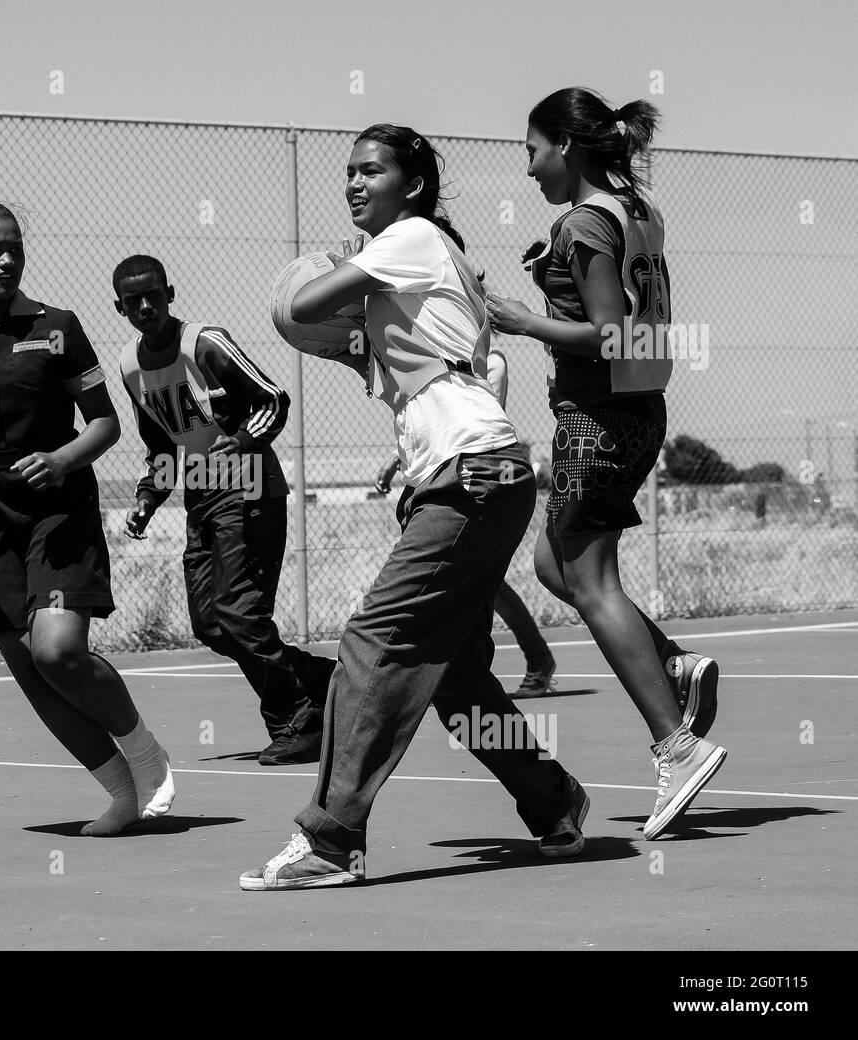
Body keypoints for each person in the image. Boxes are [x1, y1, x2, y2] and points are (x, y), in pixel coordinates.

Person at [241, 124, 590, 890]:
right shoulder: (418, 273)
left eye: (372, 171)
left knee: (372, 642)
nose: (355, 184)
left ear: (414, 185)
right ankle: (552, 797)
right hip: (471, 474)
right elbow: (383, 348)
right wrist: (353, 328)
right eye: (350, 173)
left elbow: (300, 301)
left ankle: (331, 841)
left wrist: (327, 277)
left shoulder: (412, 239)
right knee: (456, 676)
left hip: (474, 474)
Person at [484, 88, 725, 841]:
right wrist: (550, 283)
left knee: (589, 580)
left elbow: (610, 335)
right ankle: (674, 666)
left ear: (567, 145)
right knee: (558, 567)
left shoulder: (584, 219)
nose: (527, 169)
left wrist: (523, 320)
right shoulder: (635, 212)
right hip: (638, 411)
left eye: (532, 151)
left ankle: (675, 746)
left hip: (598, 418)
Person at [0, 201, 173, 836]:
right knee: (32, 674)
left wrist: (61, 459)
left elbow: (104, 423)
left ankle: (144, 751)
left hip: (59, 511)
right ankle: (121, 796)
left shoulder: (59, 326)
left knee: (57, 651)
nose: (6, 259)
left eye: (14, 246)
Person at [113, 255, 335, 765]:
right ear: (120, 307)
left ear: (170, 292)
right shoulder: (129, 365)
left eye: (153, 295)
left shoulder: (206, 344)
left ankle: (297, 720)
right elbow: (161, 443)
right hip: (200, 497)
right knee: (211, 624)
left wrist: (240, 440)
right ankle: (321, 681)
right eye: (133, 300)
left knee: (239, 612)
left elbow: (273, 400)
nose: (145, 306)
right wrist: (149, 497)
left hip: (250, 488)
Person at [369, 348, 558, 696]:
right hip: (453, 470)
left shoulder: (488, 358)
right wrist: (398, 460)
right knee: (487, 587)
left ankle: (511, 666)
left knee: (486, 586)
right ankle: (481, 674)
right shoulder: (447, 350)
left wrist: (396, 462)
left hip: (478, 472)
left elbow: (464, 421)